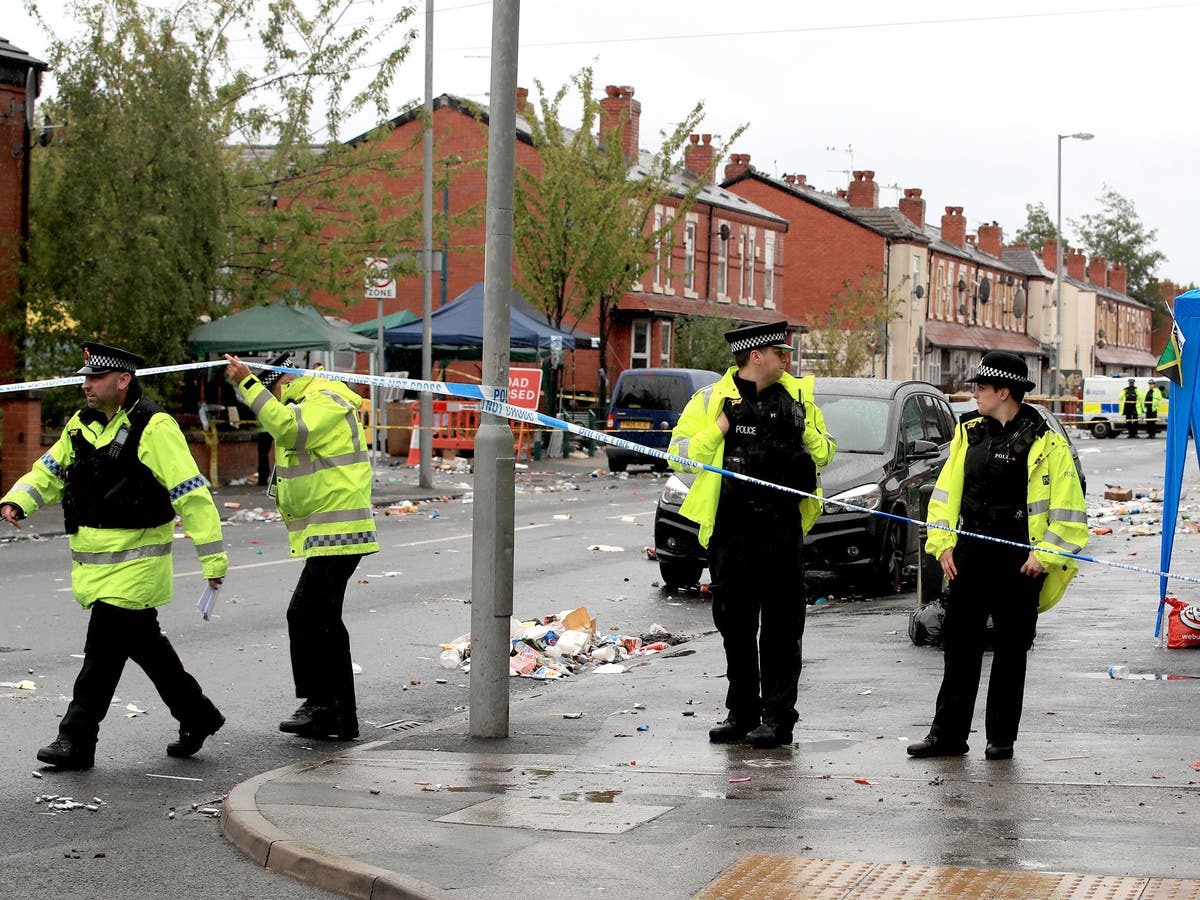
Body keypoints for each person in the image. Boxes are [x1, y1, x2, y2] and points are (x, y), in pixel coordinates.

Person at [0, 343, 229, 770]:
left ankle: (76, 740)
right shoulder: (81, 424)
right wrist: (17, 501)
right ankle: (199, 715)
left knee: (101, 651)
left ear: (123, 380)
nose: (85, 384)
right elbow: (48, 471)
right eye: (85, 377)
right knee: (147, 647)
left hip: (137, 567)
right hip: (95, 568)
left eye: (95, 378)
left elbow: (191, 494)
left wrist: (212, 561)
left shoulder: (154, 426)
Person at [908, 351, 1088, 761]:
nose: (974, 394)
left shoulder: (1047, 441)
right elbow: (945, 495)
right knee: (959, 645)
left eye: (981, 388)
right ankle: (948, 736)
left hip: (1020, 562)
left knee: (1011, 650)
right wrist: (944, 544)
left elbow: (1069, 511)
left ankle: (1001, 739)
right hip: (970, 554)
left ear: (1003, 392)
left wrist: (1045, 555)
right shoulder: (968, 432)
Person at [668, 321, 836, 749]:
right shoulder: (711, 400)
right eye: (782, 352)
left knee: (782, 629)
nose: (789, 359)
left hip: (780, 531)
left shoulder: (798, 397)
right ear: (756, 355)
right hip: (731, 531)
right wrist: (721, 427)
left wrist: (805, 428)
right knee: (735, 627)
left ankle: (778, 720)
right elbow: (677, 457)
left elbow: (827, 453)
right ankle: (741, 713)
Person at [225, 353, 377, 741]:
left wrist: (247, 383)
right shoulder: (311, 399)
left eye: (272, 391)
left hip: (339, 526)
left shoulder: (325, 398)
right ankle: (335, 712)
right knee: (320, 618)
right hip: (328, 527)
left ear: (283, 382)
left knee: (308, 614)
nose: (274, 402)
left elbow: (290, 430)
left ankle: (327, 708)